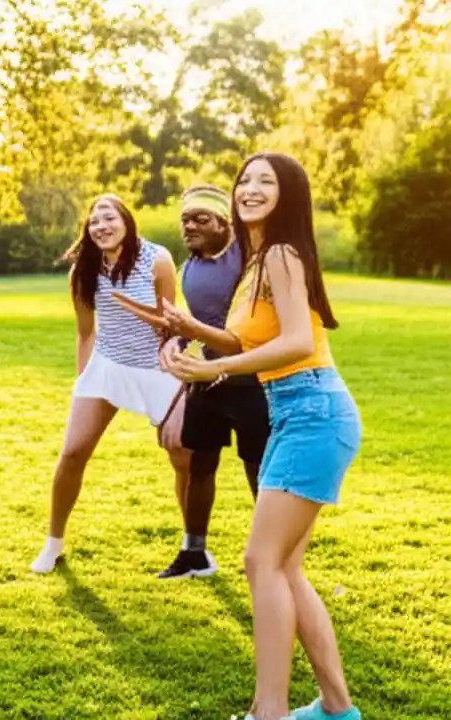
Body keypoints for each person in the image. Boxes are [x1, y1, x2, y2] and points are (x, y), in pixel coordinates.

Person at [163, 152, 362, 720]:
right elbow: (242, 341)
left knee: (261, 562)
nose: (249, 188)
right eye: (244, 179)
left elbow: (298, 341)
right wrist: (191, 335)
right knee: (284, 567)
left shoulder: (279, 253)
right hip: (296, 411)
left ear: (289, 193)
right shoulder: (259, 259)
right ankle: (336, 708)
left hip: (313, 410)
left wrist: (210, 370)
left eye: (265, 181)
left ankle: (266, 713)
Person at [115, 184, 271, 579]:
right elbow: (198, 325)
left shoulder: (247, 256)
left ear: (225, 224)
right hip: (207, 381)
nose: (190, 227)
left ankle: (273, 557)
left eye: (201, 219)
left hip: (251, 381)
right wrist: (175, 345)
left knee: (258, 469)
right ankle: (194, 553)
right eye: (185, 221)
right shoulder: (190, 270)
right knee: (200, 465)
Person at [29, 194, 191, 575]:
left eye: (109, 218)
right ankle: (53, 543)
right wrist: (84, 381)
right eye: (94, 221)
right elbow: (85, 334)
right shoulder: (83, 272)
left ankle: (192, 545)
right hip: (107, 365)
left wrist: (176, 366)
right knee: (72, 453)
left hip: (155, 367)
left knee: (182, 456)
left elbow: (171, 324)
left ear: (126, 222)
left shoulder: (158, 259)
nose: (101, 226)